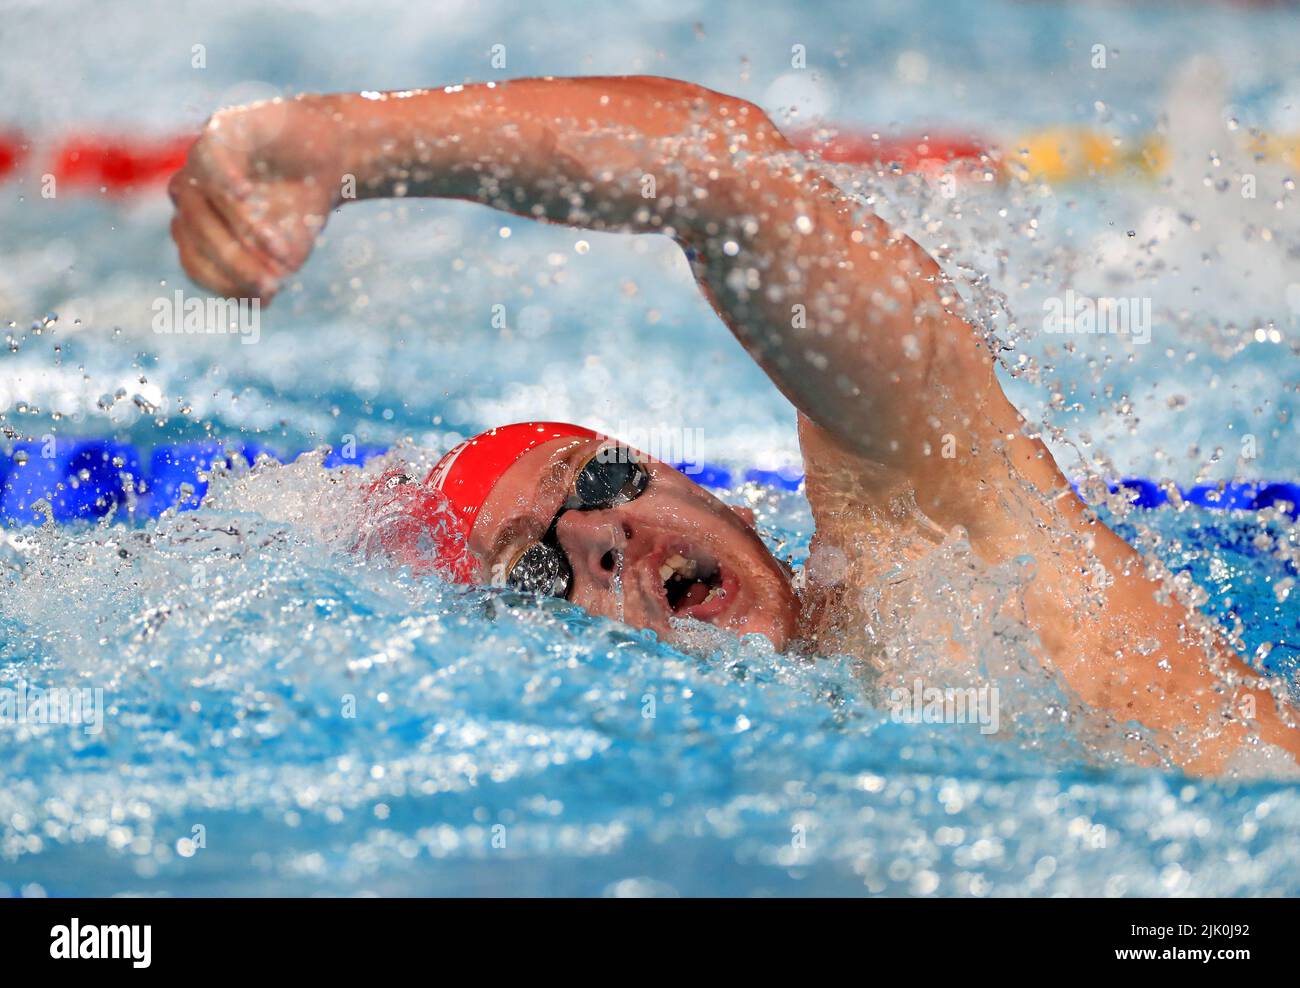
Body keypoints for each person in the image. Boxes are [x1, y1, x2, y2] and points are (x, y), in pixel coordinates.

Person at [167, 74, 1299, 774]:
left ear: (711, 490)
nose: (598, 536)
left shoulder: (939, 555)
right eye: (532, 577)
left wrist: (346, 143)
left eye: (600, 476)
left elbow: (726, 175)